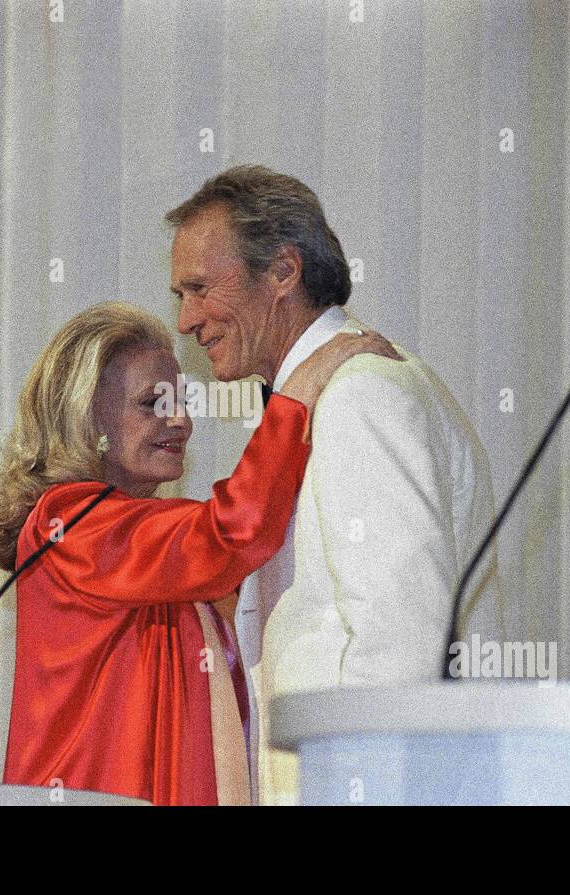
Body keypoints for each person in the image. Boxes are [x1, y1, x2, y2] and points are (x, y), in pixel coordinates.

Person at [167, 165, 506, 804]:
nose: (186, 319)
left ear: (283, 273)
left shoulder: (361, 395)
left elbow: (401, 640)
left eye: (199, 288)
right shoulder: (330, 395)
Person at [0, 301, 398, 805]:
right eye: (153, 403)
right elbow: (231, 532)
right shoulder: (66, 523)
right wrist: (298, 394)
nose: (180, 419)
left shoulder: (150, 533)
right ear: (87, 420)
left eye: (181, 400)